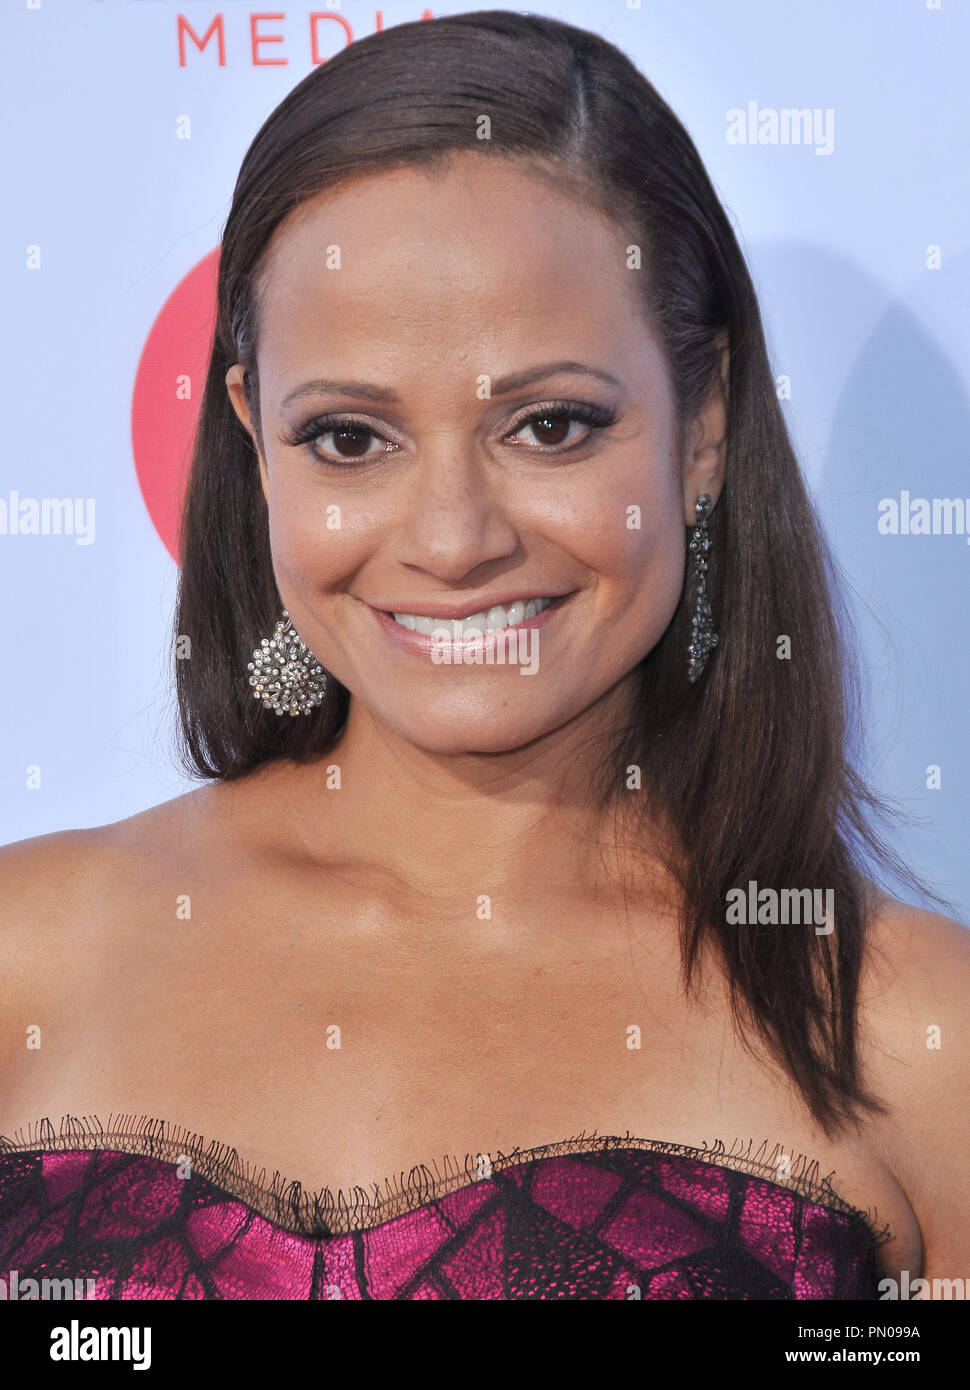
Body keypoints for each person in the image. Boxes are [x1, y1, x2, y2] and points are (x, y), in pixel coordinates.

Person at [0, 10, 966, 1301]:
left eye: (550, 424)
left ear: (702, 423)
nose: (452, 540)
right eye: (349, 436)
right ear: (251, 435)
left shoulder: (911, 1035)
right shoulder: (29, 950)